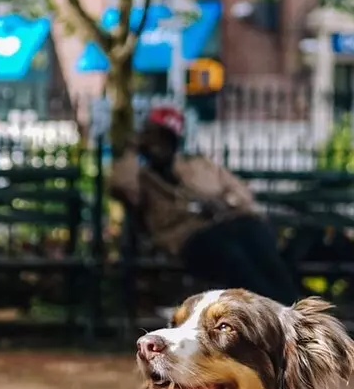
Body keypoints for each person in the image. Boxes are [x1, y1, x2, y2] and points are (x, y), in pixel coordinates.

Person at [111, 104, 299, 305]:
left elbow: (240, 192)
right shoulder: (141, 177)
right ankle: (274, 310)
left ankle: (289, 309)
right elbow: (120, 186)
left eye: (165, 138)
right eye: (154, 136)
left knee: (259, 239)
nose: (159, 145)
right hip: (188, 237)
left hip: (229, 222)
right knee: (232, 256)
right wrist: (131, 150)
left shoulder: (198, 166)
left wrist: (226, 203)